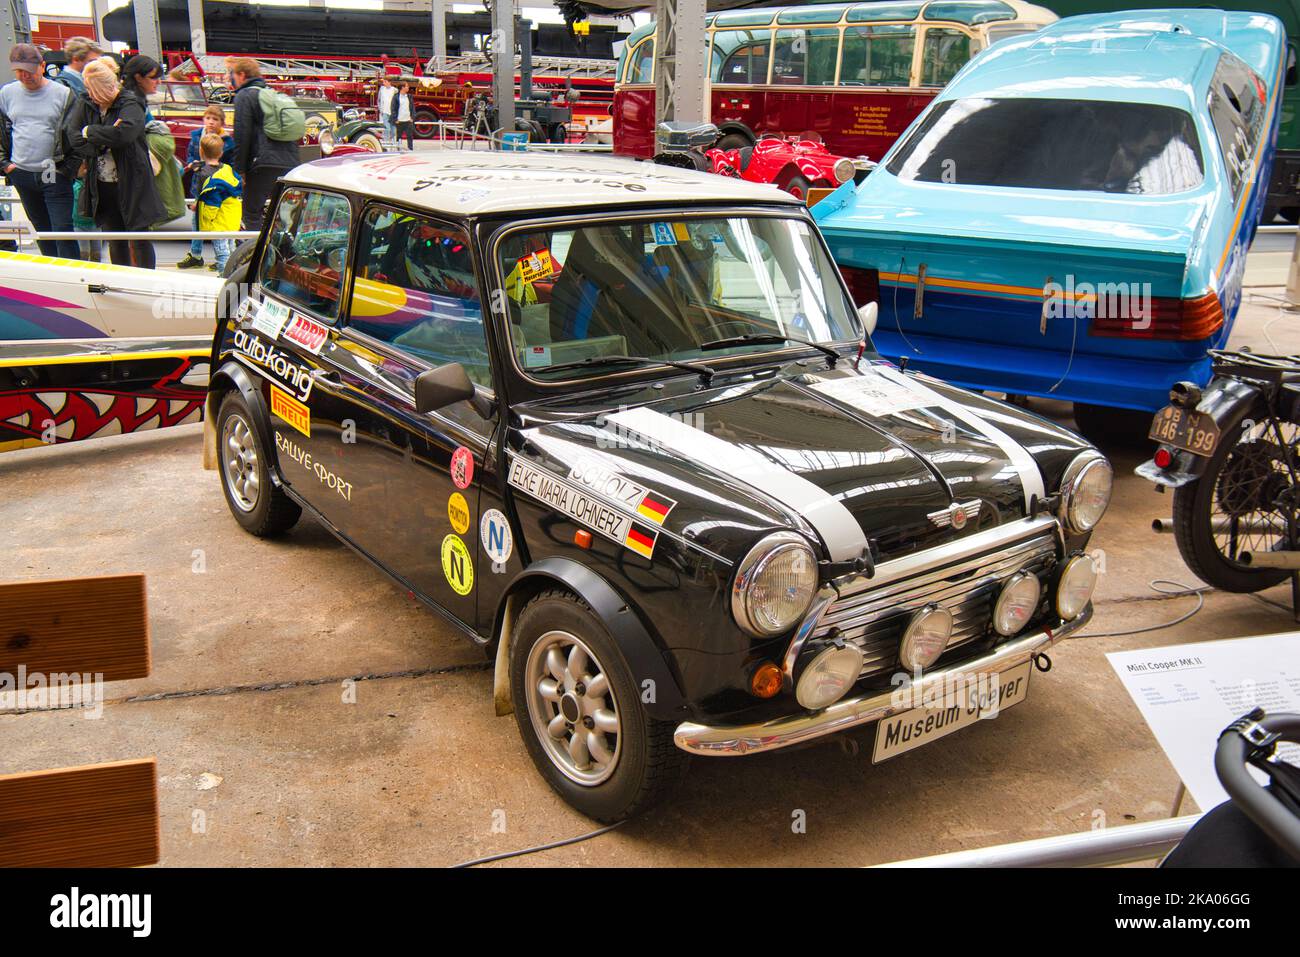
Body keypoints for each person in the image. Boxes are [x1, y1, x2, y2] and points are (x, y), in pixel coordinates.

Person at [66, 58, 165, 269]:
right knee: (115, 238)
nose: (90, 94)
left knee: (140, 238)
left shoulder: (130, 102)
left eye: (93, 89)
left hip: (133, 181)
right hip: (102, 182)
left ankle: (146, 281)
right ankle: (122, 281)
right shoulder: (86, 102)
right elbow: (73, 137)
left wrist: (90, 131)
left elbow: (124, 135)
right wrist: (101, 144)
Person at [0, 43, 80, 260]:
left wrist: (67, 169)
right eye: (19, 72)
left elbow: (75, 135)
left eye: (30, 71)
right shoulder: (7, 94)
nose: (25, 76)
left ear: (42, 66)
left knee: (62, 231)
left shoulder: (64, 94)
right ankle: (52, 276)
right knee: (41, 230)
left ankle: (71, 279)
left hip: (54, 171)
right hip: (21, 172)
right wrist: (7, 166)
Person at [228, 56, 299, 232]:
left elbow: (242, 134)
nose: (230, 78)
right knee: (279, 213)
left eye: (232, 74)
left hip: (263, 162)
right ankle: (281, 251)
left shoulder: (244, 95)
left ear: (242, 75)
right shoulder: (271, 93)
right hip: (290, 160)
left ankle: (257, 255)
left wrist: (240, 170)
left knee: (251, 212)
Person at [178, 105, 235, 269]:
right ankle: (196, 254)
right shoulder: (196, 136)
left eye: (215, 119)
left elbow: (230, 163)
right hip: (200, 185)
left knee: (218, 226)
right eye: (208, 118)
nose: (210, 122)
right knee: (197, 223)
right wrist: (193, 163)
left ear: (221, 123)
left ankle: (224, 260)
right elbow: (190, 154)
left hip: (217, 190)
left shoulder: (227, 142)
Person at [193, 133, 241, 273]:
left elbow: (208, 200)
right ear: (221, 153)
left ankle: (224, 278)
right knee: (231, 250)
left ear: (201, 152)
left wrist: (204, 215)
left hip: (218, 221)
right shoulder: (228, 170)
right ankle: (235, 274)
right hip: (231, 218)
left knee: (221, 253)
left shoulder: (204, 174)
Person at [120, 55, 162, 122]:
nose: (159, 82)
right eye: (153, 77)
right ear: (138, 78)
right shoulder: (132, 104)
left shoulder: (130, 100)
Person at [391, 80, 414, 151]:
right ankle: (398, 150)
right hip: (399, 120)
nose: (408, 87)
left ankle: (410, 149)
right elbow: (393, 108)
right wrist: (395, 119)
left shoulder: (409, 96)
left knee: (410, 136)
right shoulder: (396, 97)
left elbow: (412, 108)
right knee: (399, 137)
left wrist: (412, 117)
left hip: (408, 120)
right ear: (402, 88)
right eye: (407, 86)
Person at [376, 74, 395, 147]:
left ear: (389, 82)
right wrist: (380, 109)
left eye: (385, 81)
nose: (383, 83)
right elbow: (379, 100)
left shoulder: (394, 90)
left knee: (393, 130)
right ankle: (386, 144)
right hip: (384, 111)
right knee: (387, 128)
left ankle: (393, 143)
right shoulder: (382, 89)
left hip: (392, 112)